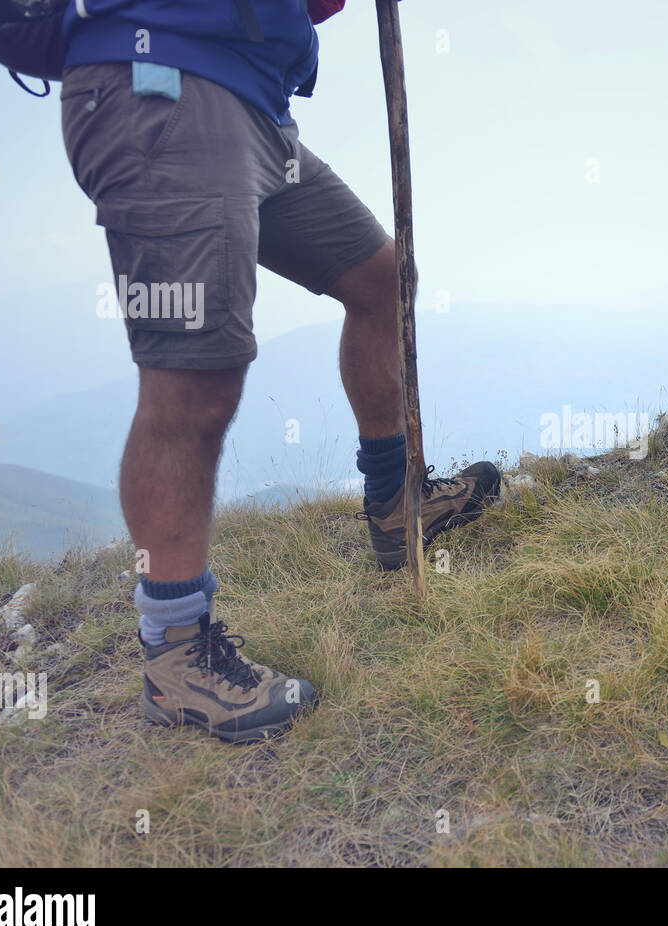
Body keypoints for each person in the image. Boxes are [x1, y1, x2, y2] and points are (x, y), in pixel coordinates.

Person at [59, 0, 499, 743]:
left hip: (255, 103)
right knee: (195, 376)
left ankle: (395, 506)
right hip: (162, 82)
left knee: (382, 278)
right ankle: (174, 656)